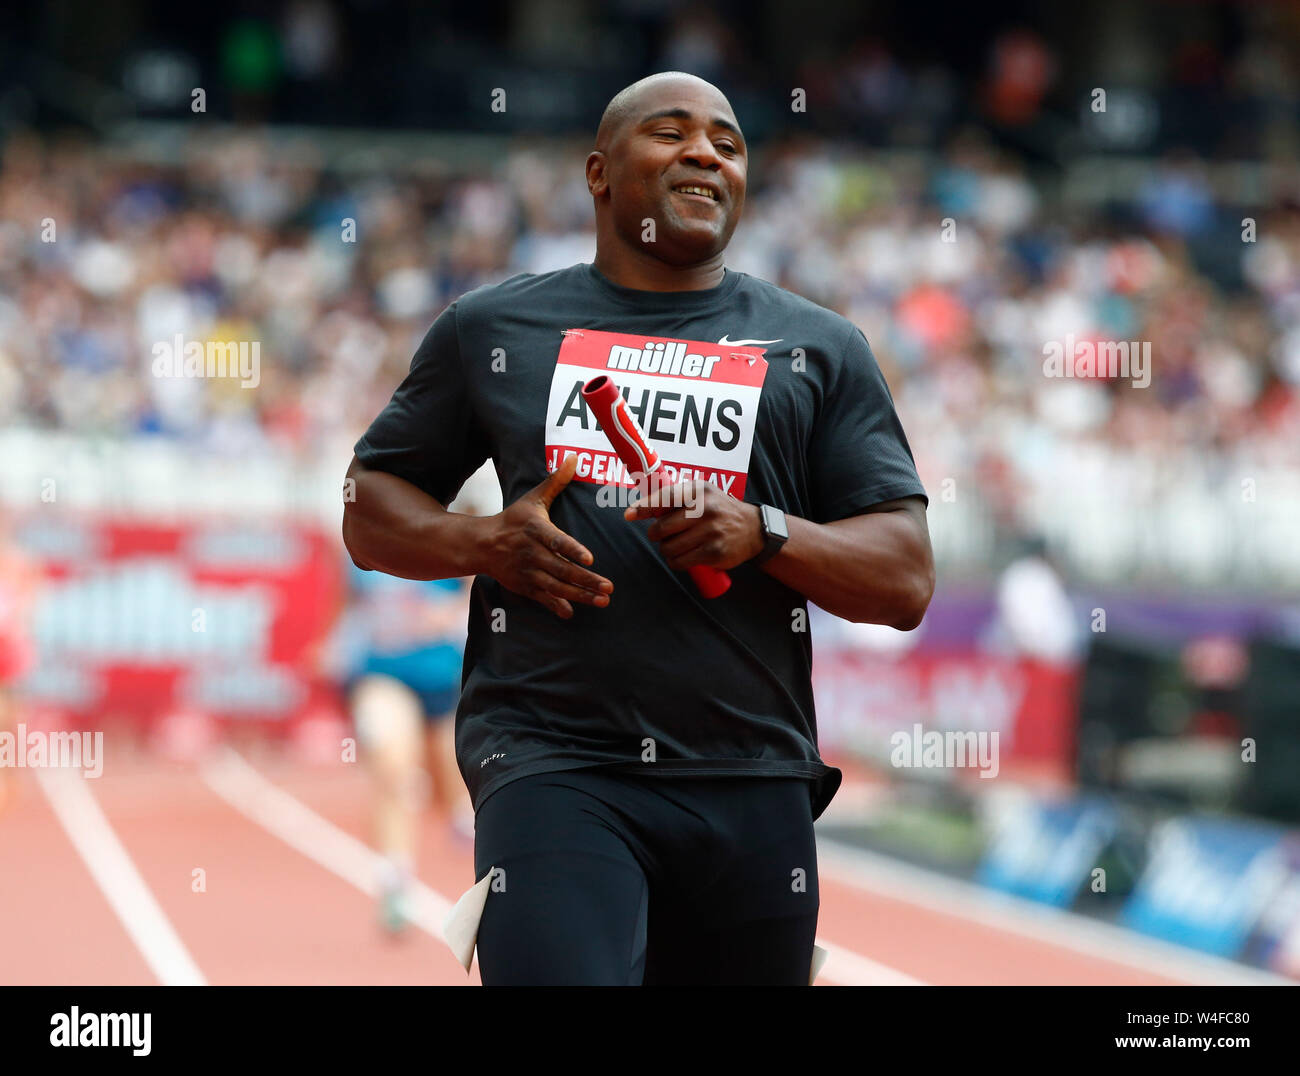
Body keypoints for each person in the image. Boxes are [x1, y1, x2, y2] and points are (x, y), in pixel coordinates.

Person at [342, 71, 934, 984]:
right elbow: (369, 508)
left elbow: (904, 579)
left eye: (729, 145)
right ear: (599, 173)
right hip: (554, 761)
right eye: (671, 133)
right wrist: (484, 541)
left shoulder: (820, 349)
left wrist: (764, 531)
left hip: (753, 777)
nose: (705, 152)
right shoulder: (494, 329)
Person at [341, 561, 473, 933]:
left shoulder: (454, 533)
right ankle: (394, 880)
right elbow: (344, 605)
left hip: (447, 685)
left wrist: (450, 614)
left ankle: (460, 817)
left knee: (456, 798)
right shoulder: (362, 542)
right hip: (382, 676)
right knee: (393, 767)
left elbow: (484, 595)